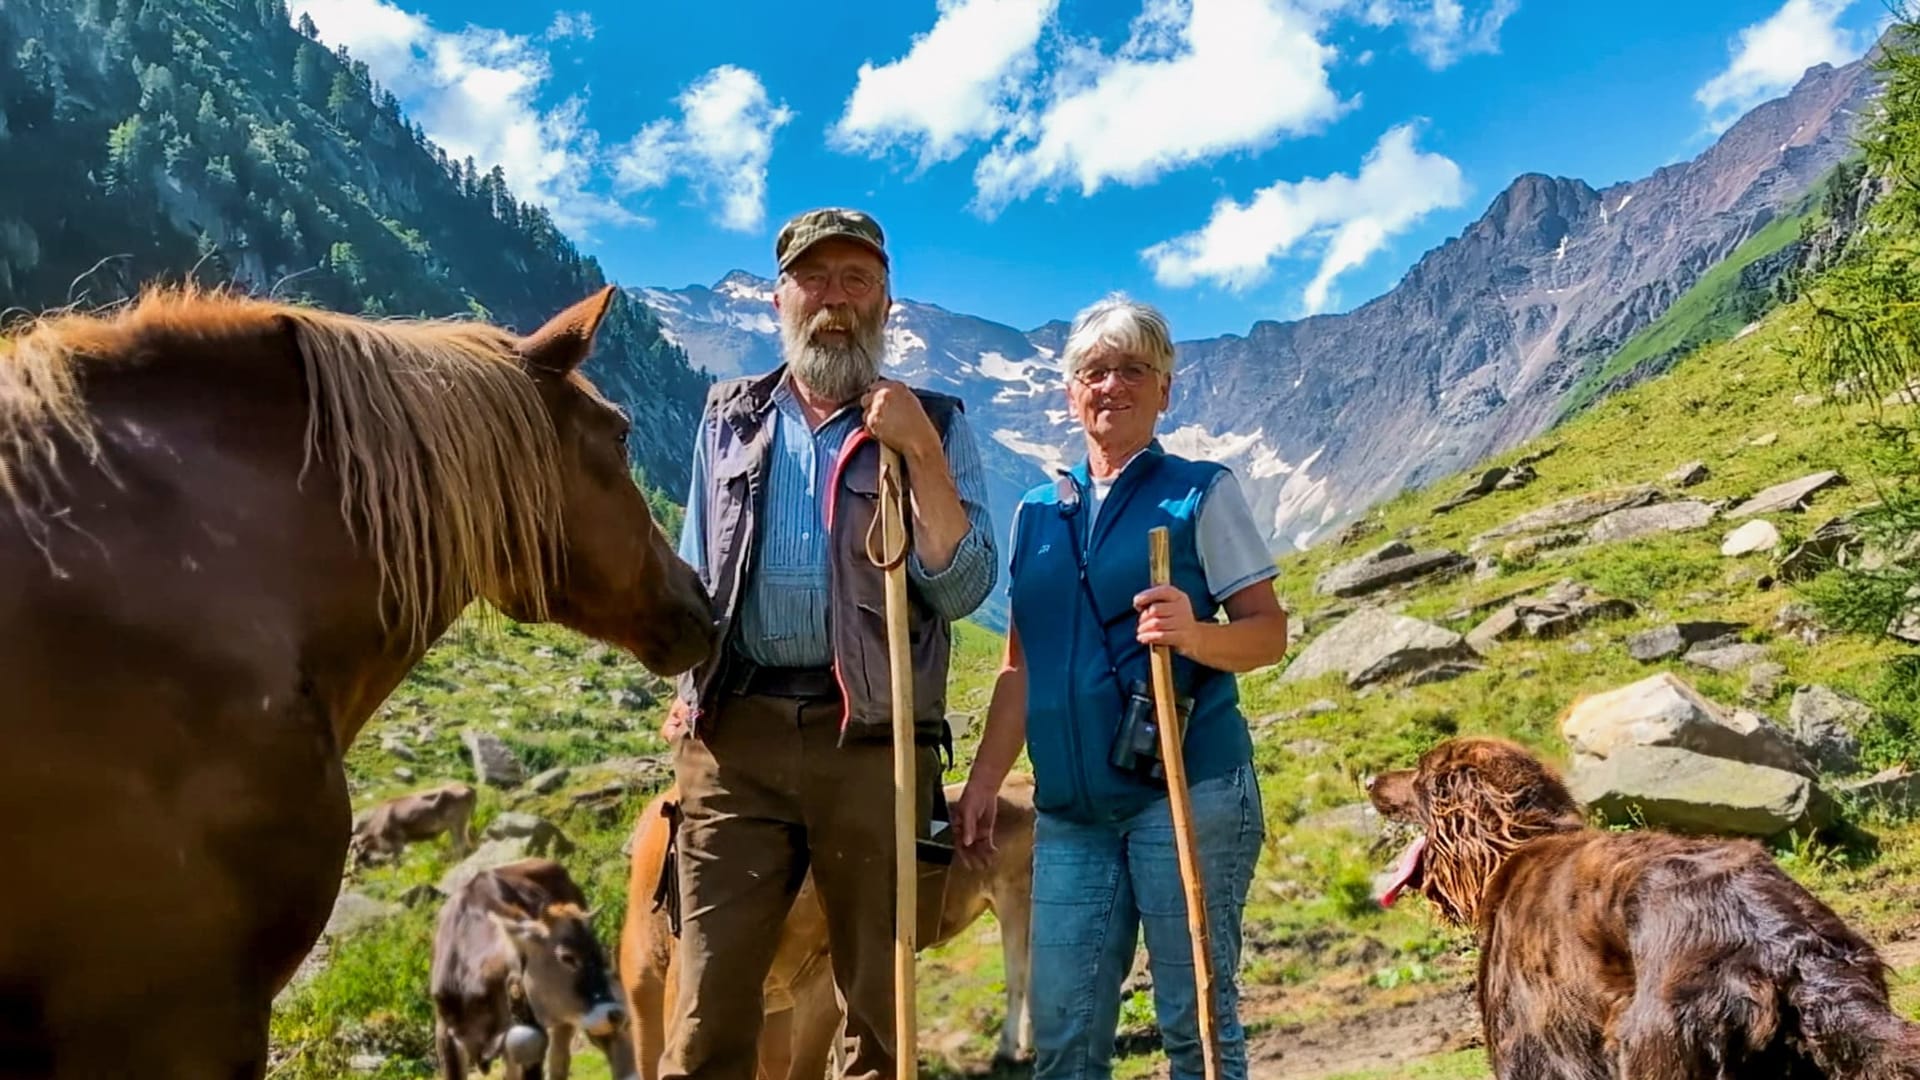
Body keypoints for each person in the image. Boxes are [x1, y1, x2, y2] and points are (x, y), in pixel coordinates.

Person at [661, 207, 998, 1080]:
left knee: (880, 1010)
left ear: (887, 301)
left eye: (857, 281)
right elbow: (697, 572)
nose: (835, 301)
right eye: (816, 280)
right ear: (781, 297)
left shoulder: (938, 421)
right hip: (737, 739)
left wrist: (920, 452)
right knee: (705, 1001)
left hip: (875, 740)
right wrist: (686, 686)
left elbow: (961, 587)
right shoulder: (727, 420)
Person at [951, 293, 1288, 1080]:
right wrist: (984, 781)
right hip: (1069, 814)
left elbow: (1268, 633)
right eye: (1095, 372)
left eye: (1135, 370)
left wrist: (1194, 635)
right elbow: (1018, 668)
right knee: (1063, 1036)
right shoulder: (1038, 513)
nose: (1113, 386)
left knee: (1194, 1019)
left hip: (1186, 792)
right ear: (1070, 393)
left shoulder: (1201, 493)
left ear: (1165, 389)